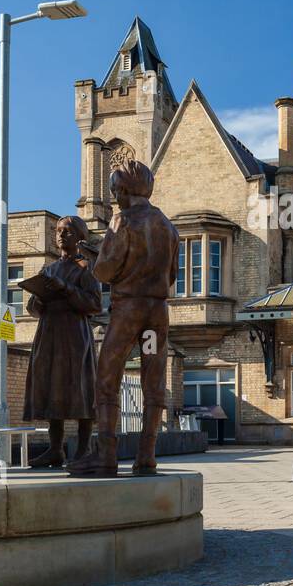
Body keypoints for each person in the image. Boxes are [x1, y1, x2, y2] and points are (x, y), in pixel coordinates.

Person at [67, 158, 178, 478]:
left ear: (127, 189)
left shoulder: (123, 221)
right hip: (157, 313)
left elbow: (104, 270)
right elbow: (171, 275)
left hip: (128, 310)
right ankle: (147, 455)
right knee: (153, 380)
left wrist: (94, 263)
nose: (113, 194)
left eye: (115, 187)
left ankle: (107, 453)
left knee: (107, 376)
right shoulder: (168, 226)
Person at [23, 216, 102, 467]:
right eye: (58, 231)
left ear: (79, 237)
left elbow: (95, 304)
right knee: (51, 387)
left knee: (79, 387)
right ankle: (55, 449)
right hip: (48, 333)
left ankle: (83, 449)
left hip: (74, 335)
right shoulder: (48, 268)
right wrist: (39, 297)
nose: (60, 235)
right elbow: (32, 309)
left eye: (67, 231)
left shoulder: (85, 267)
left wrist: (66, 288)